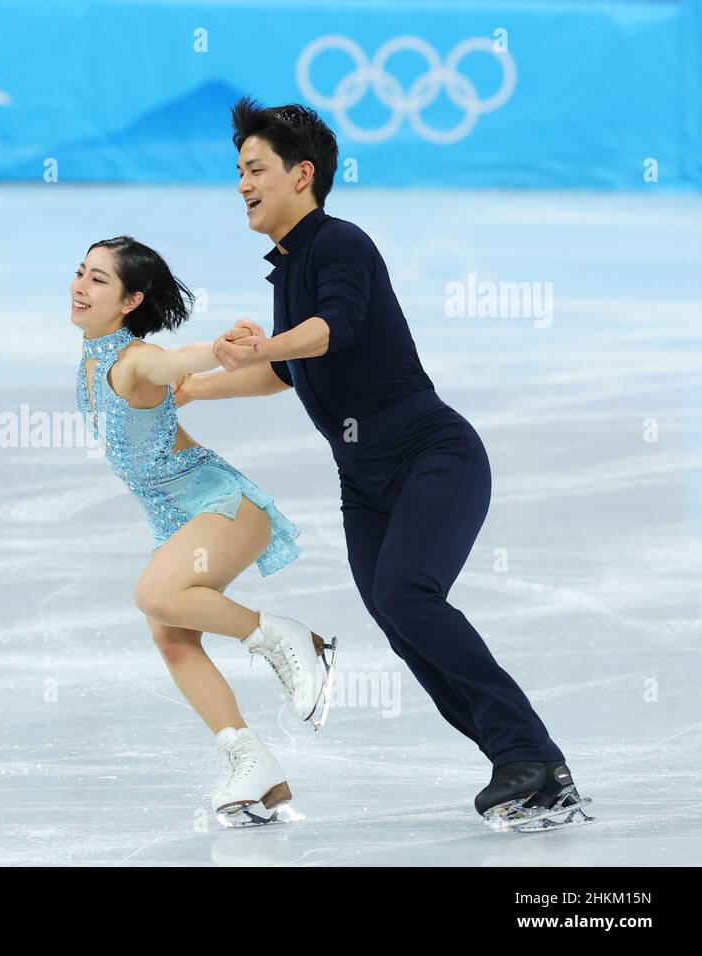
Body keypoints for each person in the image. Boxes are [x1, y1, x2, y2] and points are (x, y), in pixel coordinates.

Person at [181, 98, 591, 831]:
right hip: (363, 480)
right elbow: (284, 371)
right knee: (398, 617)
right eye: (237, 171)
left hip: (430, 453)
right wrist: (194, 388)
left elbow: (329, 332)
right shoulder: (289, 269)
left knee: (407, 596)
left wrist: (264, 346)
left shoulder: (341, 244)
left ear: (302, 175)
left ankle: (532, 755)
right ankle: (521, 762)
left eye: (254, 169)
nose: (241, 184)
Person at [70, 235, 336, 827]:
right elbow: (202, 385)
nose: (81, 287)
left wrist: (214, 349)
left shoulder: (134, 360)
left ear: (131, 299)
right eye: (81, 273)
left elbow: (174, 362)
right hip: (180, 520)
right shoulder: (95, 358)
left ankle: (288, 637)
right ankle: (251, 761)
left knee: (155, 595)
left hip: (224, 507)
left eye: (99, 280)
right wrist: (241, 365)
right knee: (172, 636)